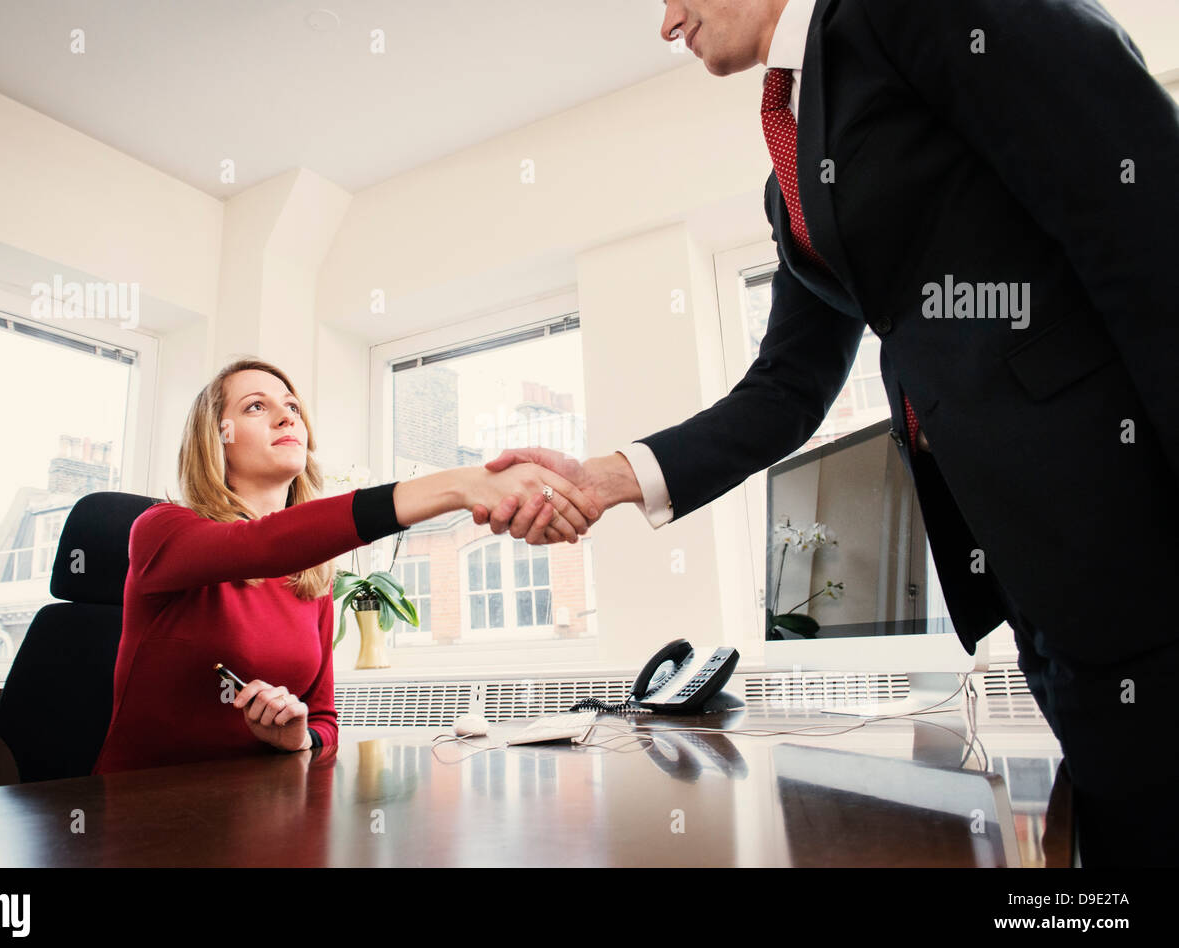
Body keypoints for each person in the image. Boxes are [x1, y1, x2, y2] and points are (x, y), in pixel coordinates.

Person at [473, 0, 1179, 866]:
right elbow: (787, 387)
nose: (667, 23)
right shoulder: (793, 171)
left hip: (1136, 525)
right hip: (1044, 575)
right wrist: (607, 477)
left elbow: (1141, 201)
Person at [92, 356, 599, 773]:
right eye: (255, 406)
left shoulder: (312, 575)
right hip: (150, 818)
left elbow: (325, 719)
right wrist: (459, 486)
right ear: (215, 435)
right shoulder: (160, 531)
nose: (289, 417)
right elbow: (262, 545)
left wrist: (297, 737)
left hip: (263, 816)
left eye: (292, 406)